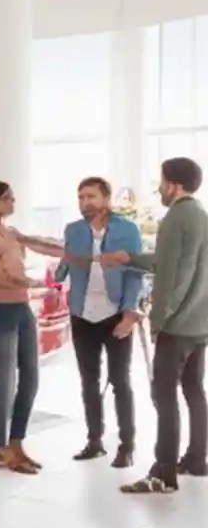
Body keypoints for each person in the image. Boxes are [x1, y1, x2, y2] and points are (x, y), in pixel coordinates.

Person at [98, 157, 208, 494]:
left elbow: (173, 277)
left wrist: (158, 320)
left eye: (161, 182)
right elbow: (171, 262)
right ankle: (197, 459)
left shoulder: (176, 217)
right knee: (193, 392)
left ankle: (163, 473)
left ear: (174, 184)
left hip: (176, 326)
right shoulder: (201, 216)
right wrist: (131, 258)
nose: (158, 188)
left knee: (163, 395)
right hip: (200, 325)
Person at [54, 177, 144, 468]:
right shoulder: (73, 230)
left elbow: (134, 274)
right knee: (88, 382)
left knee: (120, 381)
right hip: (82, 315)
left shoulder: (127, 230)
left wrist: (129, 313)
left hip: (115, 314)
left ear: (106, 199)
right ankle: (94, 441)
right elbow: (61, 272)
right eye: (80, 197)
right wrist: (60, 262)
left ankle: (127, 445)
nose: (85, 202)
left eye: (91, 196)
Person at [0, 181, 62, 474]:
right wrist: (33, 283)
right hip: (0, 311)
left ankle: (16, 443)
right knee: (4, 380)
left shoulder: (11, 234)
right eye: (7, 199)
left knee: (31, 376)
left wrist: (66, 250)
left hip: (21, 309)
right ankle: (0, 449)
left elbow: (37, 245)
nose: (13, 202)